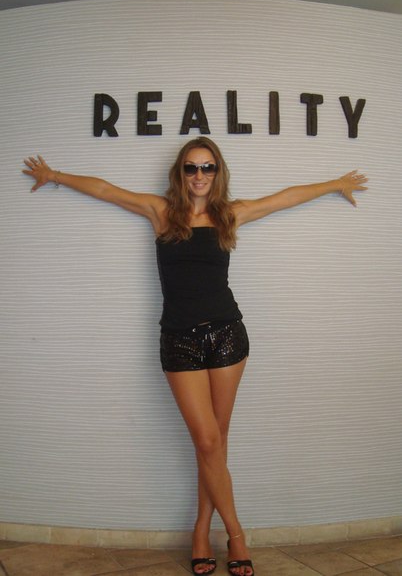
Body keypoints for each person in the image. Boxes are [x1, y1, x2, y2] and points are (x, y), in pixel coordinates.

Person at [22, 138, 367, 576]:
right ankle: (237, 535)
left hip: (227, 337)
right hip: (179, 340)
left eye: (207, 167)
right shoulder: (161, 212)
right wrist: (54, 176)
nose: (199, 175)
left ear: (217, 172)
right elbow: (106, 190)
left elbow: (284, 198)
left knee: (215, 443)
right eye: (191, 167)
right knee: (208, 442)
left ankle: (201, 531)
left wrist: (334, 184)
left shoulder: (229, 215)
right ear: (180, 173)